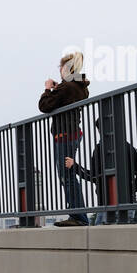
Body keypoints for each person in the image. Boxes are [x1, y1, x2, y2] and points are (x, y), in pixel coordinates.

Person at [38, 50, 91, 226]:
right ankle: (77, 215)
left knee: (66, 177)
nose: (59, 69)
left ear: (66, 68)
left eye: (60, 67)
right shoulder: (79, 86)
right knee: (68, 175)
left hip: (64, 135)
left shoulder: (66, 86)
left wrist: (47, 88)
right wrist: (57, 88)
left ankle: (79, 217)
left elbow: (44, 106)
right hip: (73, 133)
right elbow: (64, 98)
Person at [65, 120, 137, 224]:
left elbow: (94, 177)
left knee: (100, 239)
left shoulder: (100, 149)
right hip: (128, 204)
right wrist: (128, 191)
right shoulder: (129, 148)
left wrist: (74, 166)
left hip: (106, 205)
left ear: (100, 130)